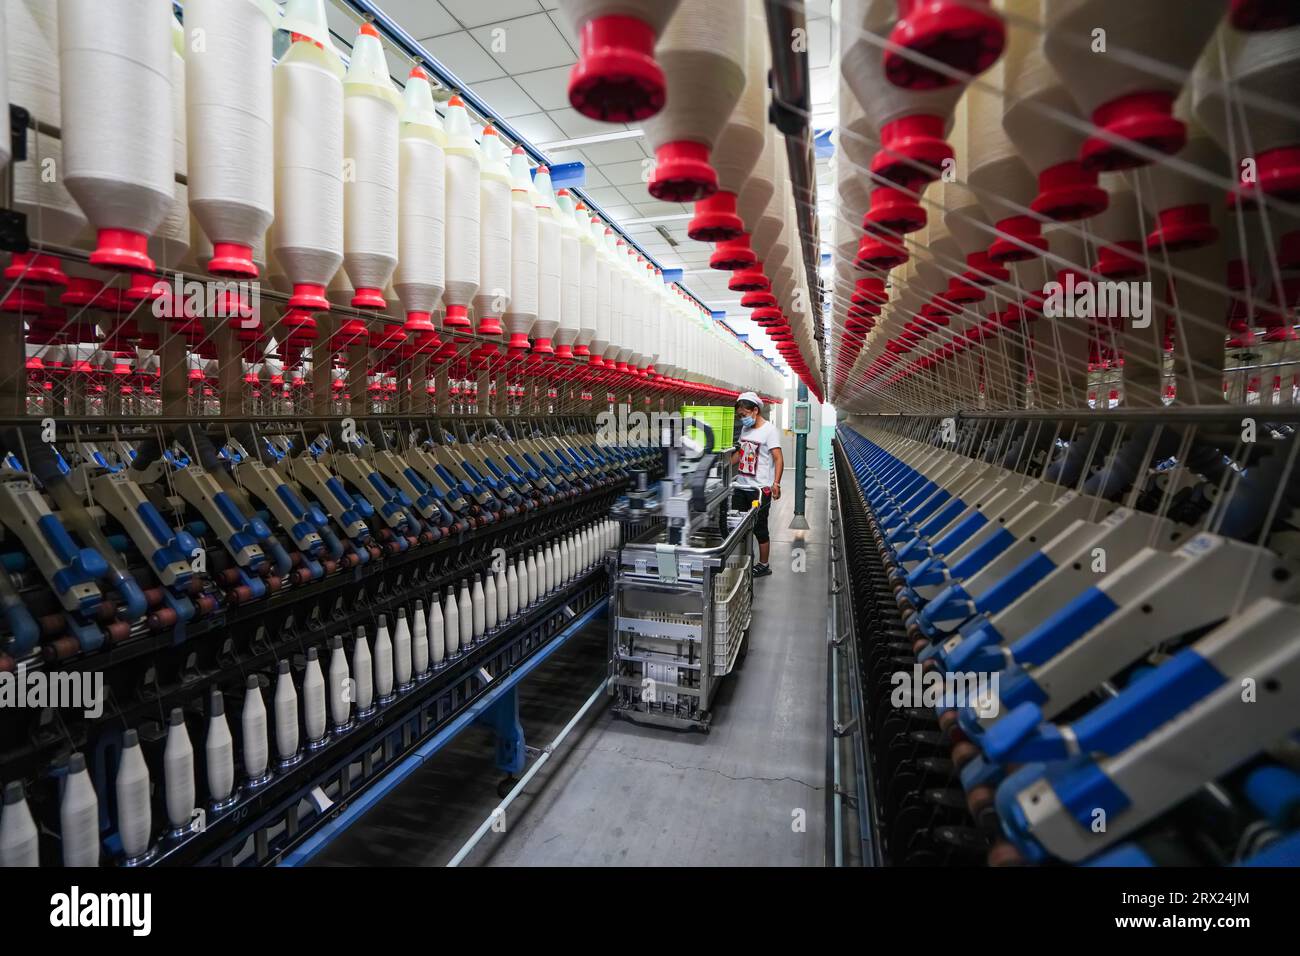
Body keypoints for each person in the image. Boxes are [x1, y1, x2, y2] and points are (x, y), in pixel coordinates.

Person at [729, 392, 783, 578]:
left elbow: (778, 458)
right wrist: (723, 462)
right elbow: (741, 453)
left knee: (760, 528)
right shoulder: (746, 430)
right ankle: (743, 559)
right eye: (740, 416)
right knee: (737, 526)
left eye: (744, 415)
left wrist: (776, 483)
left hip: (760, 489)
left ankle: (764, 564)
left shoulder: (769, 430)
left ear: (755, 410)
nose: (742, 419)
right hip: (742, 486)